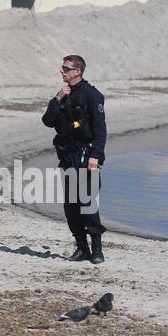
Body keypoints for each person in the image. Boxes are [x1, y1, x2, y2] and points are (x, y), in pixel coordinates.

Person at [41, 54, 108, 264]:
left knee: (87, 203)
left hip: (86, 156)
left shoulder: (92, 95)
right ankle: (82, 248)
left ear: (77, 71)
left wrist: (95, 156)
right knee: (71, 205)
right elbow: (48, 121)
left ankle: (97, 249)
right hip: (68, 156)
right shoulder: (64, 94)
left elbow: (101, 130)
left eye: (65, 68)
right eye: (62, 68)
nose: (61, 71)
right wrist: (57, 99)